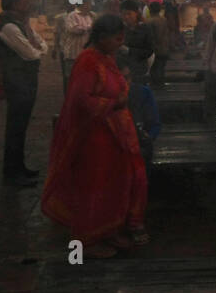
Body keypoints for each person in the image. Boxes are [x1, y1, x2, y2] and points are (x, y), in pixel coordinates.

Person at [41, 14, 149, 258]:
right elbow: (82, 100)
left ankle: (108, 231)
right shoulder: (87, 61)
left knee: (114, 184)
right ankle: (87, 241)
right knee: (95, 187)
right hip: (95, 137)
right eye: (117, 39)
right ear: (102, 37)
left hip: (115, 135)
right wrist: (116, 102)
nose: (120, 44)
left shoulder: (106, 57)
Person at [0, 0, 48, 186]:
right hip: (16, 82)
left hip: (26, 81)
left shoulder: (22, 24)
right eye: (25, 1)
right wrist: (37, 49)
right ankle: (12, 172)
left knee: (22, 126)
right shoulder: (9, 26)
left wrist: (37, 49)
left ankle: (19, 166)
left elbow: (41, 45)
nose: (29, 4)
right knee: (16, 127)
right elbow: (31, 53)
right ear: (15, 3)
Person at [118, 0, 154, 85]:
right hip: (121, 72)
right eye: (123, 14)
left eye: (129, 14)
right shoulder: (119, 29)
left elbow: (149, 51)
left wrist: (129, 51)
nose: (126, 17)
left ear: (136, 13)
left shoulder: (145, 29)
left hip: (139, 71)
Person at [59, 1, 94, 89]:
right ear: (83, 4)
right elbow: (75, 30)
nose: (90, 6)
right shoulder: (72, 15)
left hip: (85, 54)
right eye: (89, 4)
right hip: (73, 54)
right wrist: (89, 27)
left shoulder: (89, 16)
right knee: (71, 80)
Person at [145, 2, 171, 90]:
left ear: (150, 10)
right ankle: (162, 88)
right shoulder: (164, 19)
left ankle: (156, 92)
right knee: (161, 70)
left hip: (155, 50)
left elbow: (152, 38)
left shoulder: (149, 21)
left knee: (154, 71)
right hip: (165, 49)